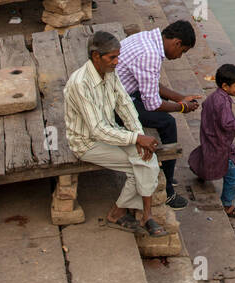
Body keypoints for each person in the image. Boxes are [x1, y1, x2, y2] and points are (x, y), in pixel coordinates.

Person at [64, 31, 168, 237]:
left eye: (117, 56)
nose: (117, 61)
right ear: (96, 56)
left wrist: (138, 136)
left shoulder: (111, 73)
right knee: (140, 165)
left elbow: (125, 105)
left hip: (112, 133)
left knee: (147, 157)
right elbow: (97, 129)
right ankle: (121, 213)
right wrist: (137, 138)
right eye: (112, 57)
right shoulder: (80, 84)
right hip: (86, 143)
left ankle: (143, 214)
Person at [115, 20, 201, 210]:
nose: (180, 57)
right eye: (183, 51)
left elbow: (151, 85)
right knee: (168, 123)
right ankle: (168, 190)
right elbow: (152, 104)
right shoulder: (150, 54)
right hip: (113, 106)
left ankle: (166, 169)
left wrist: (181, 98)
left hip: (123, 92)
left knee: (164, 117)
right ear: (176, 43)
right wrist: (181, 108)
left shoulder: (147, 38)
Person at [188, 63, 235, 219]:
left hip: (209, 137)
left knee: (207, 156)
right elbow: (228, 124)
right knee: (233, 176)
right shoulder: (223, 102)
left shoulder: (214, 97)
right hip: (220, 144)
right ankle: (227, 205)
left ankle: (200, 172)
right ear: (225, 86)